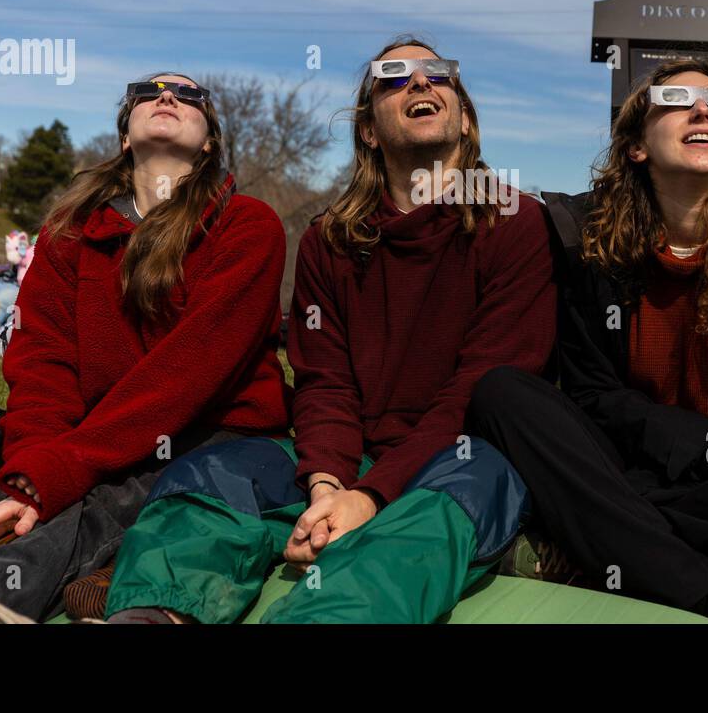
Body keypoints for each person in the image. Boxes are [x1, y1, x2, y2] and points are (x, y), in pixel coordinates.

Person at [103, 37, 556, 624]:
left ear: (465, 119)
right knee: (211, 473)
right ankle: (153, 612)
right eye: (393, 78)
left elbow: (482, 388)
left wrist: (368, 499)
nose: (418, 83)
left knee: (433, 517)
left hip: (465, 459)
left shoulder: (515, 223)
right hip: (352, 457)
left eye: (436, 74)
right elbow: (324, 382)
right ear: (368, 130)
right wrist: (326, 484)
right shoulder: (329, 241)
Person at [0, 74, 289, 623]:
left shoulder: (247, 225)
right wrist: (30, 468)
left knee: (86, 513)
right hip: (91, 437)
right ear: (124, 136)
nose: (166, 97)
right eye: (148, 91)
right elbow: (42, 365)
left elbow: (186, 375)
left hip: (205, 441)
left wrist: (60, 473)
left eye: (188, 96)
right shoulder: (71, 231)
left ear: (209, 141)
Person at [468, 59, 708, 624]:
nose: (704, 109)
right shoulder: (584, 241)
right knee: (502, 393)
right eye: (676, 99)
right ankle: (705, 589)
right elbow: (592, 394)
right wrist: (688, 439)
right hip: (622, 455)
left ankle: (586, 547)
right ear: (636, 146)